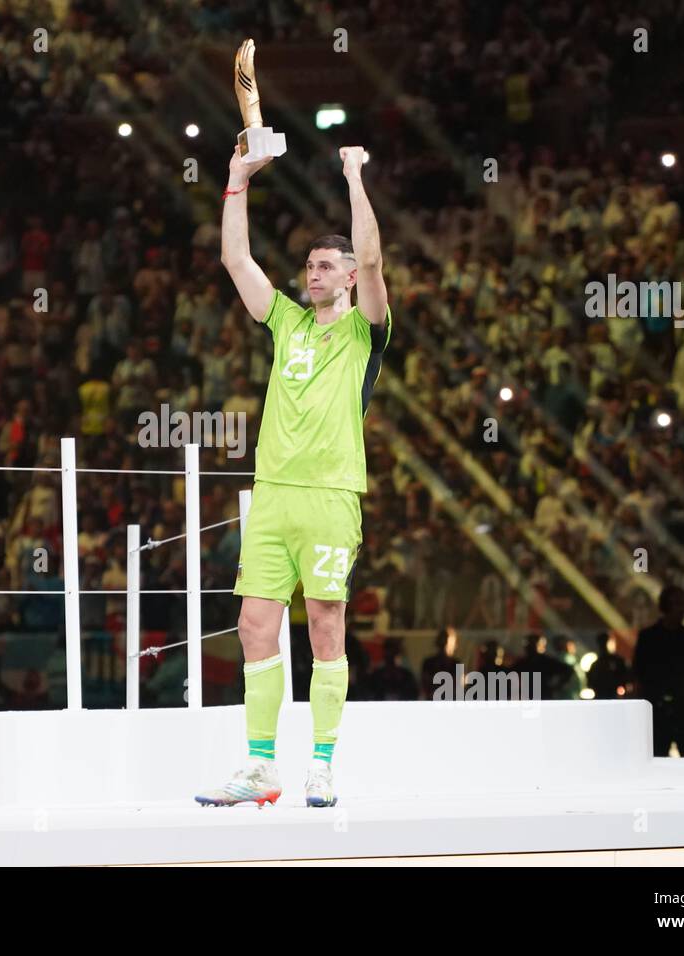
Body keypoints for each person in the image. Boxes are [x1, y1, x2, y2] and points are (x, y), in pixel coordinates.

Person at [196, 133, 391, 809]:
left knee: (327, 625)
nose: (312, 273)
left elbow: (371, 255)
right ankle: (259, 767)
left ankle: (323, 765)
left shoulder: (366, 329)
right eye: (308, 264)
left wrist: (354, 176)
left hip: (333, 496)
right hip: (273, 495)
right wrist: (236, 177)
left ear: (347, 278)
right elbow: (234, 256)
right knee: (255, 625)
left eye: (324, 266)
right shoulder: (284, 321)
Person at [634, 586, 684, 757]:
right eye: (676, 604)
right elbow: (640, 670)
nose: (681, 609)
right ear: (665, 606)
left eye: (683, 604)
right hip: (660, 706)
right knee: (656, 758)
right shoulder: (648, 637)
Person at [585, 633, 632, 700]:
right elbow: (590, 682)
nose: (603, 646)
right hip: (601, 697)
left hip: (615, 697)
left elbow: (626, 678)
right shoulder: (596, 664)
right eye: (601, 643)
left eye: (605, 642)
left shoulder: (617, 662)